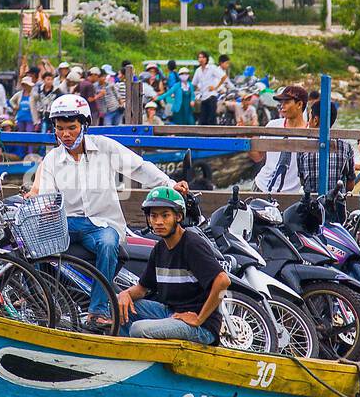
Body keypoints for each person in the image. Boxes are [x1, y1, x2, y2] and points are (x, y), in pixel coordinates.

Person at [27, 94, 188, 325]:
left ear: (84, 125)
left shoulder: (105, 147)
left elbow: (140, 168)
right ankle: (42, 303)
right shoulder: (52, 159)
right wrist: (43, 206)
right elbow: (47, 194)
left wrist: (170, 184)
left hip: (103, 223)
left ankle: (98, 311)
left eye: (72, 127)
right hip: (68, 222)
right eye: (60, 128)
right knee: (33, 243)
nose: (66, 134)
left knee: (108, 243)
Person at [116, 187, 229, 346]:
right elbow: (142, 289)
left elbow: (223, 282)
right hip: (172, 313)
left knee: (138, 329)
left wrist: (199, 319)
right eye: (153, 216)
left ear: (178, 216)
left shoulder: (191, 244)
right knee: (116, 305)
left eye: (165, 215)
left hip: (201, 327)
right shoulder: (159, 248)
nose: (159, 222)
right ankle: (128, 357)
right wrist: (125, 294)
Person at [252, 85, 309, 194]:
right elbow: (258, 157)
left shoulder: (310, 133)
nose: (282, 106)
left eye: (287, 102)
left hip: (292, 194)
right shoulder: (273, 126)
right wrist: (246, 141)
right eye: (281, 103)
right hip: (262, 187)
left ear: (299, 104)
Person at [296, 92, 355, 196]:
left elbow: (302, 180)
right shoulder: (346, 146)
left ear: (315, 120)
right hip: (336, 203)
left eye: (309, 118)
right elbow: (350, 183)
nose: (308, 122)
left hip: (311, 204)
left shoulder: (304, 145)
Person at [192, 51, 226, 125]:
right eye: (199, 57)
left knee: (211, 119)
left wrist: (216, 87)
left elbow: (223, 77)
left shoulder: (212, 68)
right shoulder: (198, 71)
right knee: (202, 120)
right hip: (203, 97)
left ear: (206, 59)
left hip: (211, 96)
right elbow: (194, 84)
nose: (201, 59)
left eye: (202, 57)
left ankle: (213, 135)